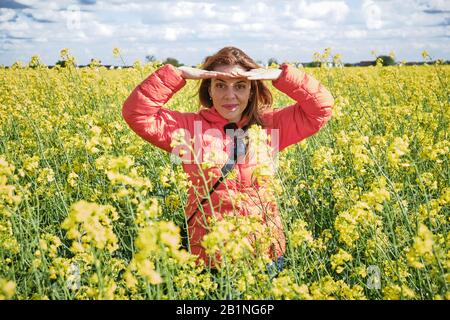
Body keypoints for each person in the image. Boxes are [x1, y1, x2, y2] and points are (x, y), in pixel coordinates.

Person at [122, 46, 334, 271]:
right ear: (209, 90)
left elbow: (320, 108)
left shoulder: (270, 125)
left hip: (265, 256)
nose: (229, 95)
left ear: (252, 91)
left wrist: (282, 76)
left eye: (240, 86)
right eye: (220, 85)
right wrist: (177, 75)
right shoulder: (189, 129)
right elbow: (137, 113)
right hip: (210, 258)